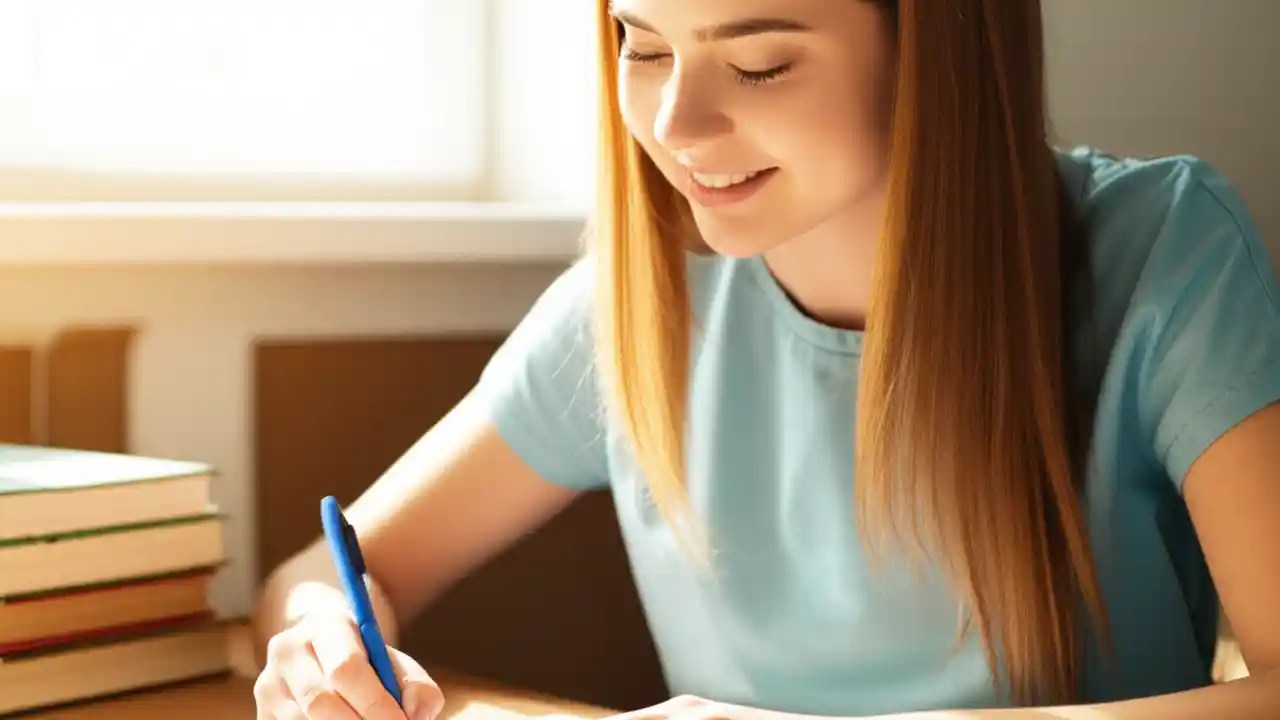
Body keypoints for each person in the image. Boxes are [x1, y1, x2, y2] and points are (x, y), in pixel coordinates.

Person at [251, 1, 1280, 718]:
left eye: (757, 64)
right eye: (640, 45)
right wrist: (321, 643)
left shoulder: (1162, 252)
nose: (674, 125)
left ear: (933, 49)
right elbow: (331, 573)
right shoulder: (636, 302)